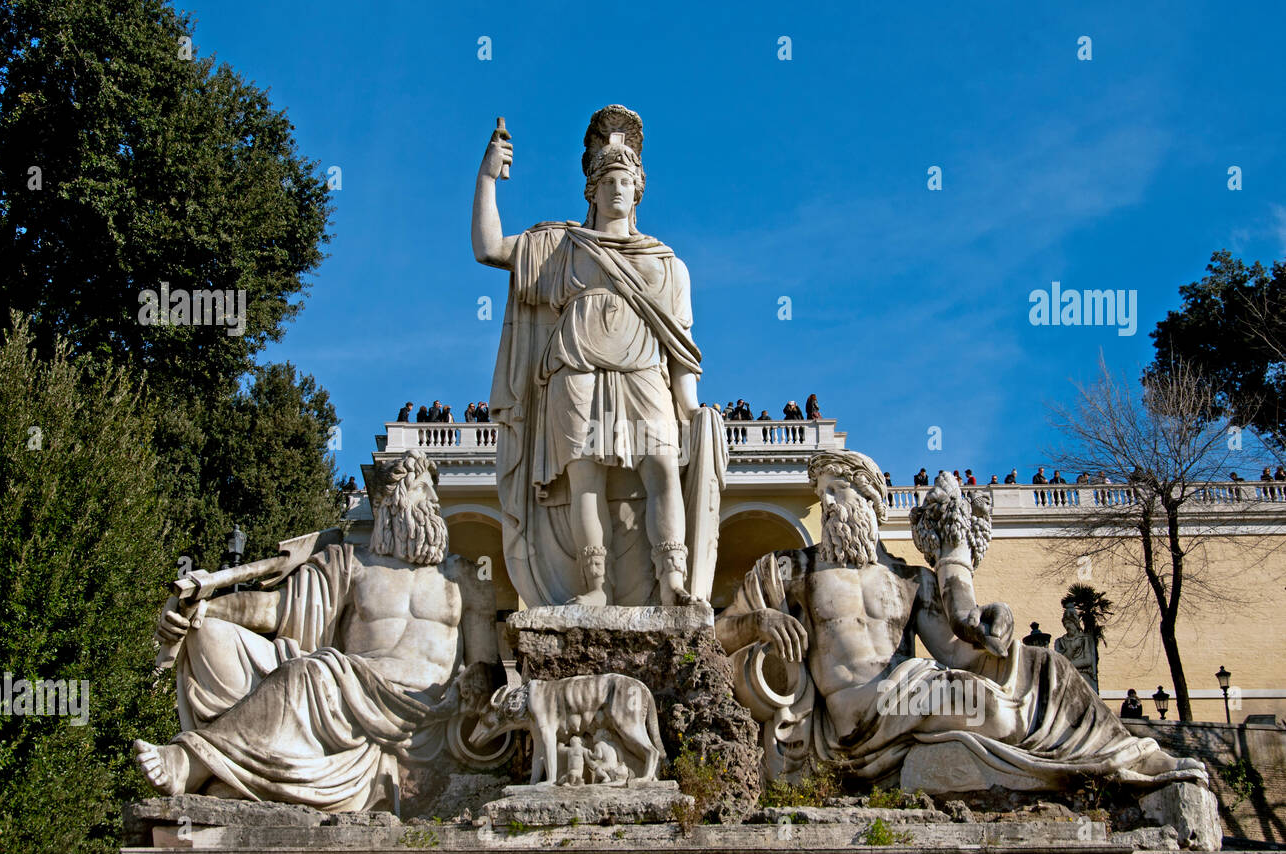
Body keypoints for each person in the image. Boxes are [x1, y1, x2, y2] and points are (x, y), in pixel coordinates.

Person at [714, 450, 1207, 788]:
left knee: (1048, 667)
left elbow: (955, 650)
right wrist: (759, 622)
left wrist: (995, 627)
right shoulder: (789, 569)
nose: (829, 504)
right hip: (855, 714)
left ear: (870, 501)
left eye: (839, 490)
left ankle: (1131, 755)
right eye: (823, 493)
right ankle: (1109, 767)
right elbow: (717, 634)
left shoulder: (911, 581)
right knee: (991, 710)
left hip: (908, 690)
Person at [135, 450, 501, 810]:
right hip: (348, 689)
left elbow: (489, 668)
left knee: (311, 672)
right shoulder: (349, 566)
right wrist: (201, 609)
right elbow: (274, 609)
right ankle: (240, 774)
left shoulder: (464, 576)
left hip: (426, 706)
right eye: (423, 488)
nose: (435, 500)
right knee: (211, 634)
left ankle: (192, 761)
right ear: (393, 500)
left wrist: (477, 680)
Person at [473, 105, 709, 608]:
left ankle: (672, 580)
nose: (617, 189)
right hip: (574, 367)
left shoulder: (669, 265)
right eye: (608, 181)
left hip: (643, 369)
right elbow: (489, 248)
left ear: (639, 188)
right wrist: (488, 178)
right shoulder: (562, 247)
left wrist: (690, 408)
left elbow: (680, 350)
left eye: (626, 180)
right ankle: (594, 587)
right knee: (586, 478)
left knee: (662, 467)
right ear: (592, 189)